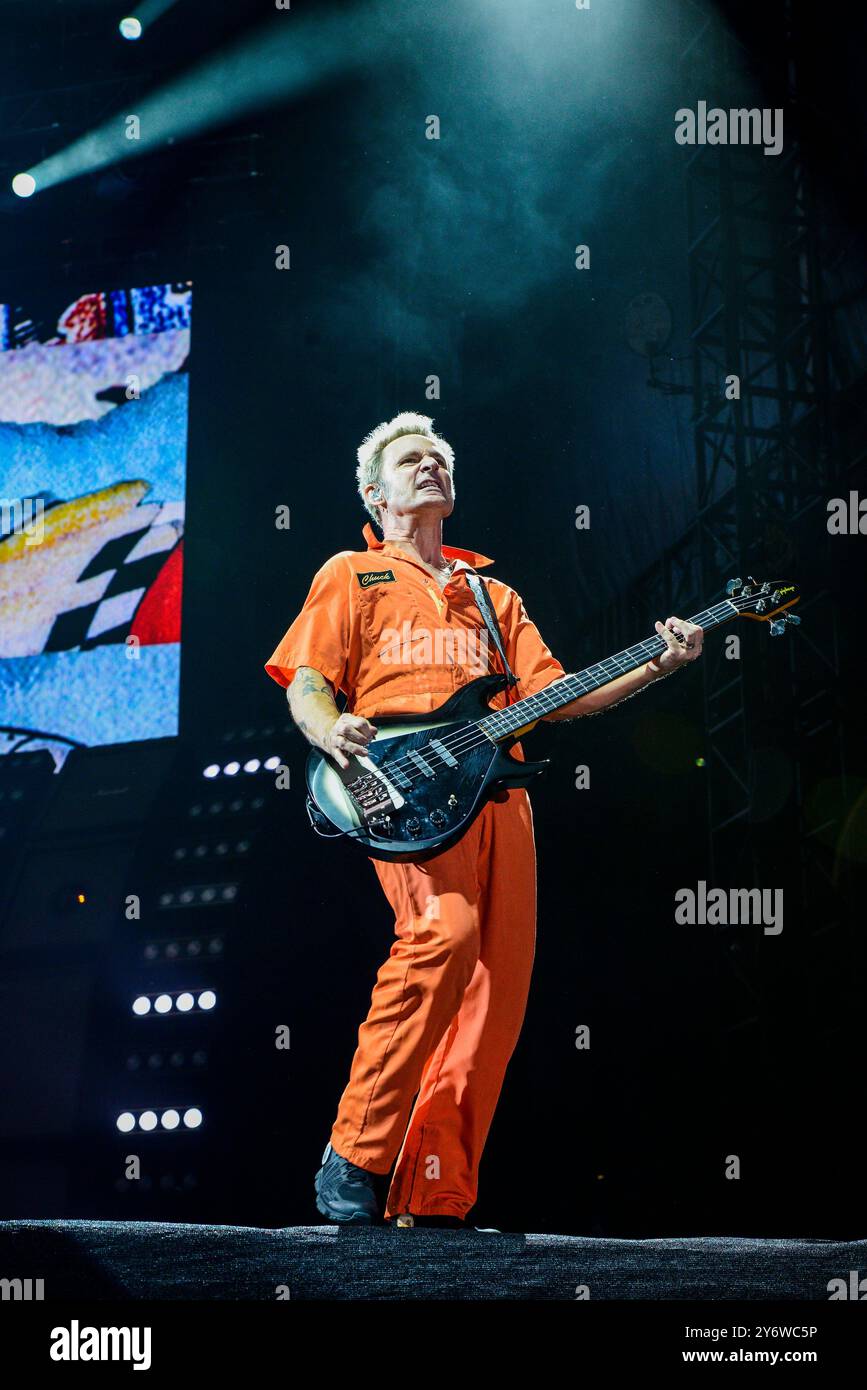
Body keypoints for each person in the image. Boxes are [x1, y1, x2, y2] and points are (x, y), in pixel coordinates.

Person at [264, 412, 703, 1228]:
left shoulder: (493, 596)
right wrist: (331, 732)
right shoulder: (350, 575)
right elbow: (307, 681)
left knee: (495, 996)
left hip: (501, 798)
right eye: (409, 459)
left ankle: (434, 1190)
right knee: (443, 935)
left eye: (439, 458)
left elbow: (558, 695)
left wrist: (658, 662)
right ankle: (357, 1150)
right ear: (374, 490)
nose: (429, 466)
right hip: (401, 789)